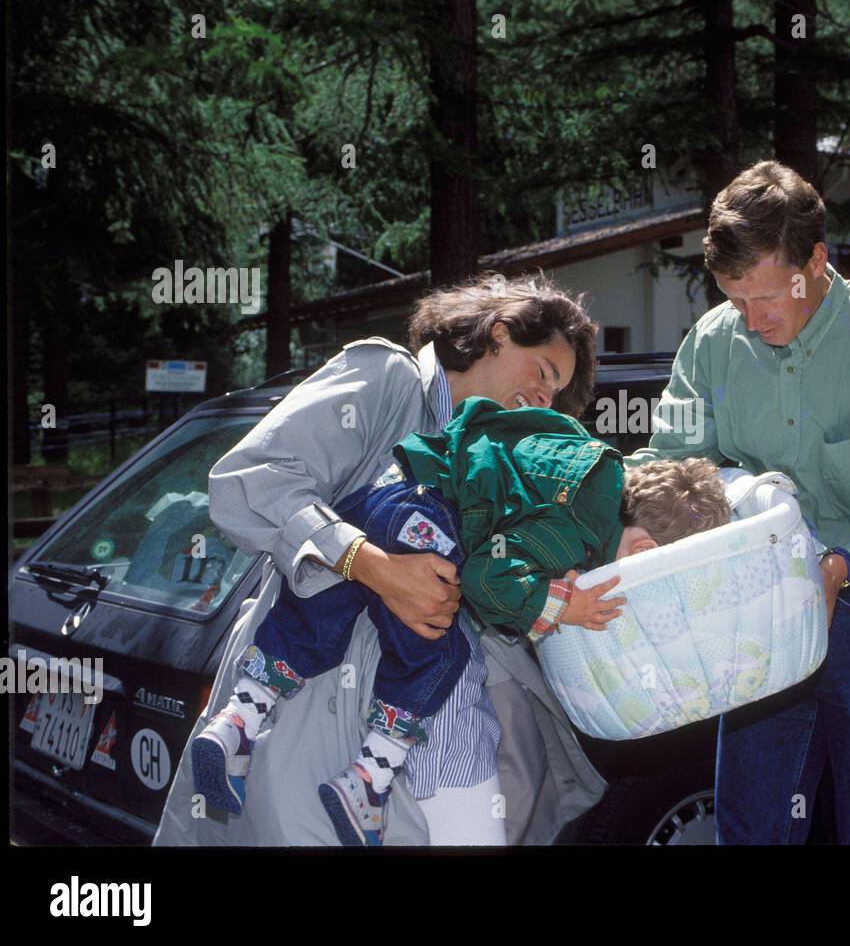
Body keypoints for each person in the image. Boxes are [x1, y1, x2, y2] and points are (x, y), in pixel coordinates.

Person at [154, 273, 612, 846]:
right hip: (317, 721)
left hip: (436, 750)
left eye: (555, 394)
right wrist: (372, 565)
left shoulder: (503, 460)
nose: (544, 397)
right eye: (543, 372)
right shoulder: (386, 377)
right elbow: (250, 481)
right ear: (498, 333)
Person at [625, 161, 850, 844]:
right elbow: (670, 464)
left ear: (815, 261)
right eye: (734, 299)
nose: (751, 319)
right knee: (750, 824)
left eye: (764, 297)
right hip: (755, 610)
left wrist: (840, 566)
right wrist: (609, 504)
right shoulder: (713, 340)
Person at [189, 390, 729, 845]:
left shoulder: (590, 473)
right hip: (427, 512)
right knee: (438, 639)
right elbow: (487, 579)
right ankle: (368, 781)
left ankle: (239, 719)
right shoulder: (579, 525)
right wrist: (559, 604)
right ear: (644, 553)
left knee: (325, 607)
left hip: (381, 496)